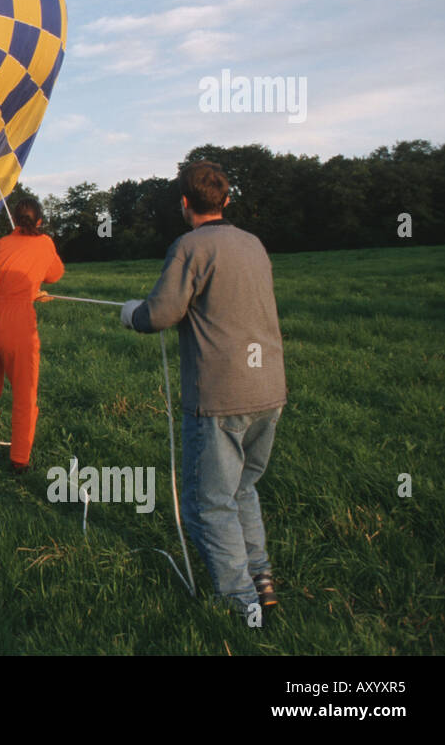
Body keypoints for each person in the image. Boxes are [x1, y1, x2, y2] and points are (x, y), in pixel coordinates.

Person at [121, 161, 286, 621]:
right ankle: (261, 579)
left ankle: (242, 606)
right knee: (243, 488)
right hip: (269, 389)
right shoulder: (253, 244)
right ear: (227, 201)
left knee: (208, 504)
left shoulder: (189, 246)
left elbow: (159, 314)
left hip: (220, 395)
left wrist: (131, 314)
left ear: (184, 203)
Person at [0, 197, 64, 472]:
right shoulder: (45, 243)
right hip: (18, 320)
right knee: (24, 394)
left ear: (14, 219)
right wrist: (29, 290)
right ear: (39, 221)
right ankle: (19, 461)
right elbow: (55, 274)